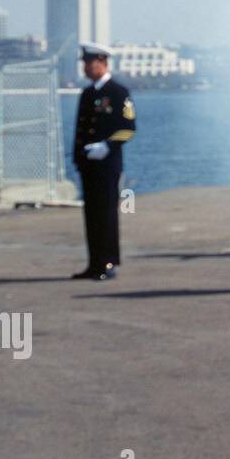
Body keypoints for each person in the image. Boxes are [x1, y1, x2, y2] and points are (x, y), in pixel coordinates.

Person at [70, 44, 136, 281]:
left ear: (103, 64)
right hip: (89, 164)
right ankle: (94, 262)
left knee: (107, 214)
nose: (87, 68)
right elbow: (80, 130)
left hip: (107, 164)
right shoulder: (87, 94)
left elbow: (128, 129)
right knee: (92, 216)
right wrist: (78, 158)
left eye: (91, 64)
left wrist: (107, 146)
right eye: (85, 64)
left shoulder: (119, 92)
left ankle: (108, 262)